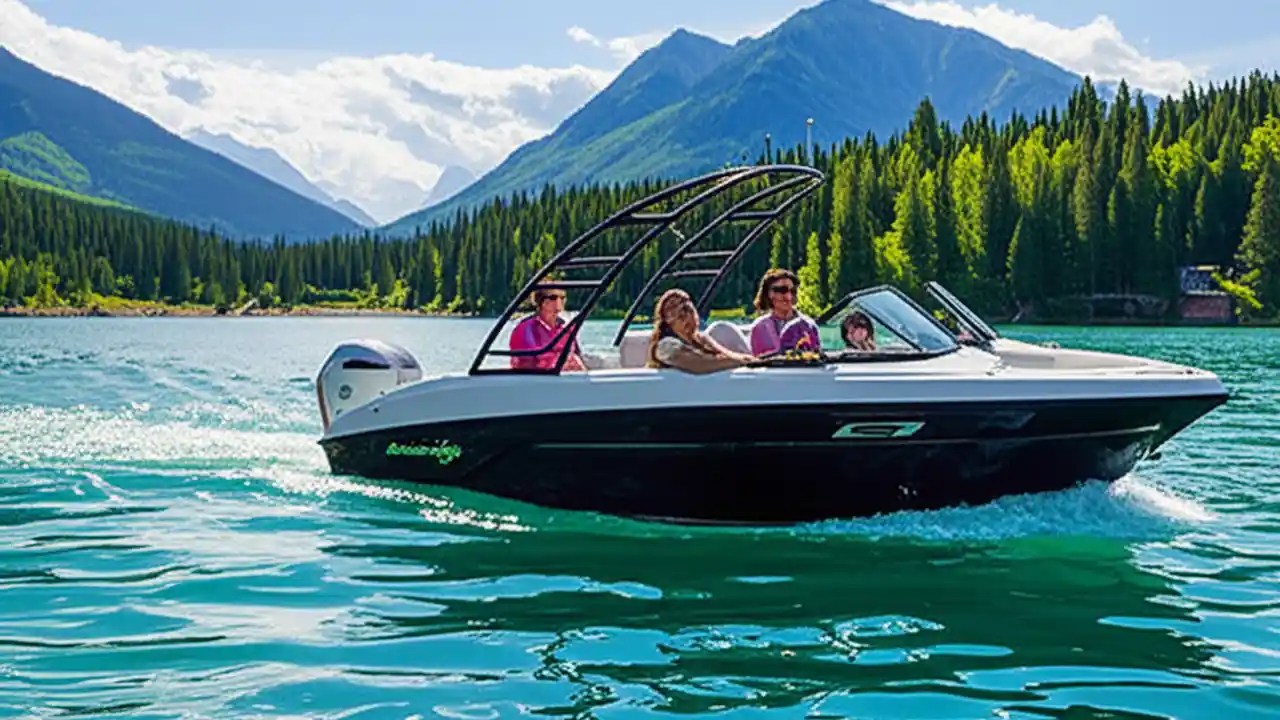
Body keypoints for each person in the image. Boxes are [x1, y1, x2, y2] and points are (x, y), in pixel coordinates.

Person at [647, 289, 755, 374]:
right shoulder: (665, 347)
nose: (688, 318)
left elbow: (728, 355)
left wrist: (751, 360)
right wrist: (740, 362)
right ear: (668, 322)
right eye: (681, 316)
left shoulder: (702, 339)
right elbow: (698, 364)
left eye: (690, 310)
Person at [508, 285, 587, 371]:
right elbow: (526, 364)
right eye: (554, 297)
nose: (561, 301)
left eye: (563, 297)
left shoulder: (566, 327)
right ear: (543, 302)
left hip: (566, 376)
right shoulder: (526, 329)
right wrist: (557, 365)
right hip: (539, 378)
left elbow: (577, 353)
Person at [748, 268, 821, 356]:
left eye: (793, 291)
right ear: (769, 293)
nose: (788, 296)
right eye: (782, 290)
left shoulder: (809, 326)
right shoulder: (759, 328)